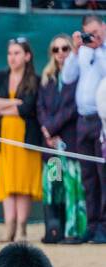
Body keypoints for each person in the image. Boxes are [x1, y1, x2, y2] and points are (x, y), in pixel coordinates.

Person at [0, 38, 44, 243]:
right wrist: (13, 102)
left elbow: (28, 108)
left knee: (23, 184)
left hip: (25, 137)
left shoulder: (35, 80)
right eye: (10, 53)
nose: (12, 57)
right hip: (3, 137)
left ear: (27, 56)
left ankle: (21, 228)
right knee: (7, 182)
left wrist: (3, 106)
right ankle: (8, 227)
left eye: (17, 53)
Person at [37, 34, 86, 245]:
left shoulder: (77, 76)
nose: (60, 54)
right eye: (56, 49)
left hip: (71, 143)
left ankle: (72, 231)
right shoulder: (47, 78)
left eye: (65, 48)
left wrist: (52, 127)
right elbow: (40, 107)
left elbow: (73, 108)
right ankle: (53, 229)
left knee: (71, 186)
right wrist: (47, 131)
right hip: (53, 149)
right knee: (53, 185)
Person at [62, 14, 106, 244]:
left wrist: (98, 49)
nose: (93, 38)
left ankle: (104, 225)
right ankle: (91, 224)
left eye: (96, 33)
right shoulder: (82, 52)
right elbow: (67, 77)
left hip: (102, 121)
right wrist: (76, 50)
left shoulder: (101, 52)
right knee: (88, 175)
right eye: (89, 34)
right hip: (83, 121)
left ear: (104, 29)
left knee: (103, 174)